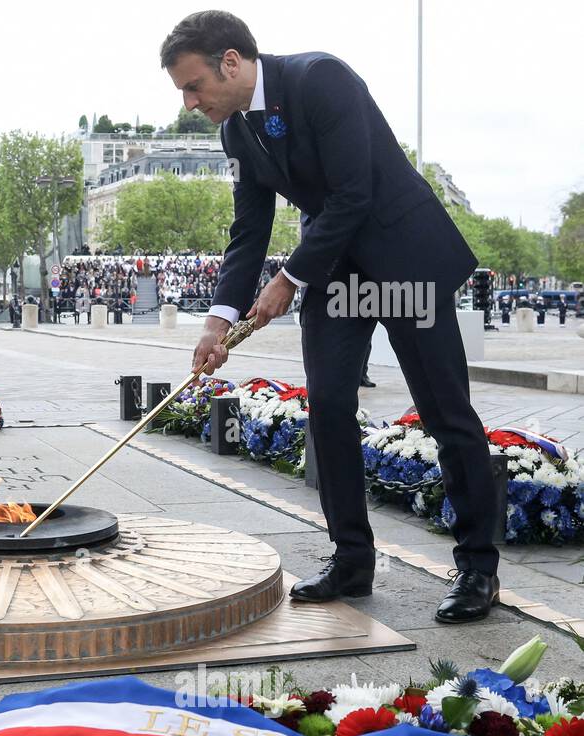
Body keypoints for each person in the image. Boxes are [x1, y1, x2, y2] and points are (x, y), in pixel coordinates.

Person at [162, 10, 498, 624]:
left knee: (445, 411)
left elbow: (354, 195)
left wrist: (289, 279)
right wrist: (218, 318)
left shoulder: (322, 79)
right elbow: (249, 229)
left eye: (193, 86)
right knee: (330, 407)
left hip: (403, 259)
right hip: (336, 268)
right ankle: (352, 559)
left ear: (230, 62)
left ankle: (478, 565)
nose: (189, 102)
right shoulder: (237, 133)